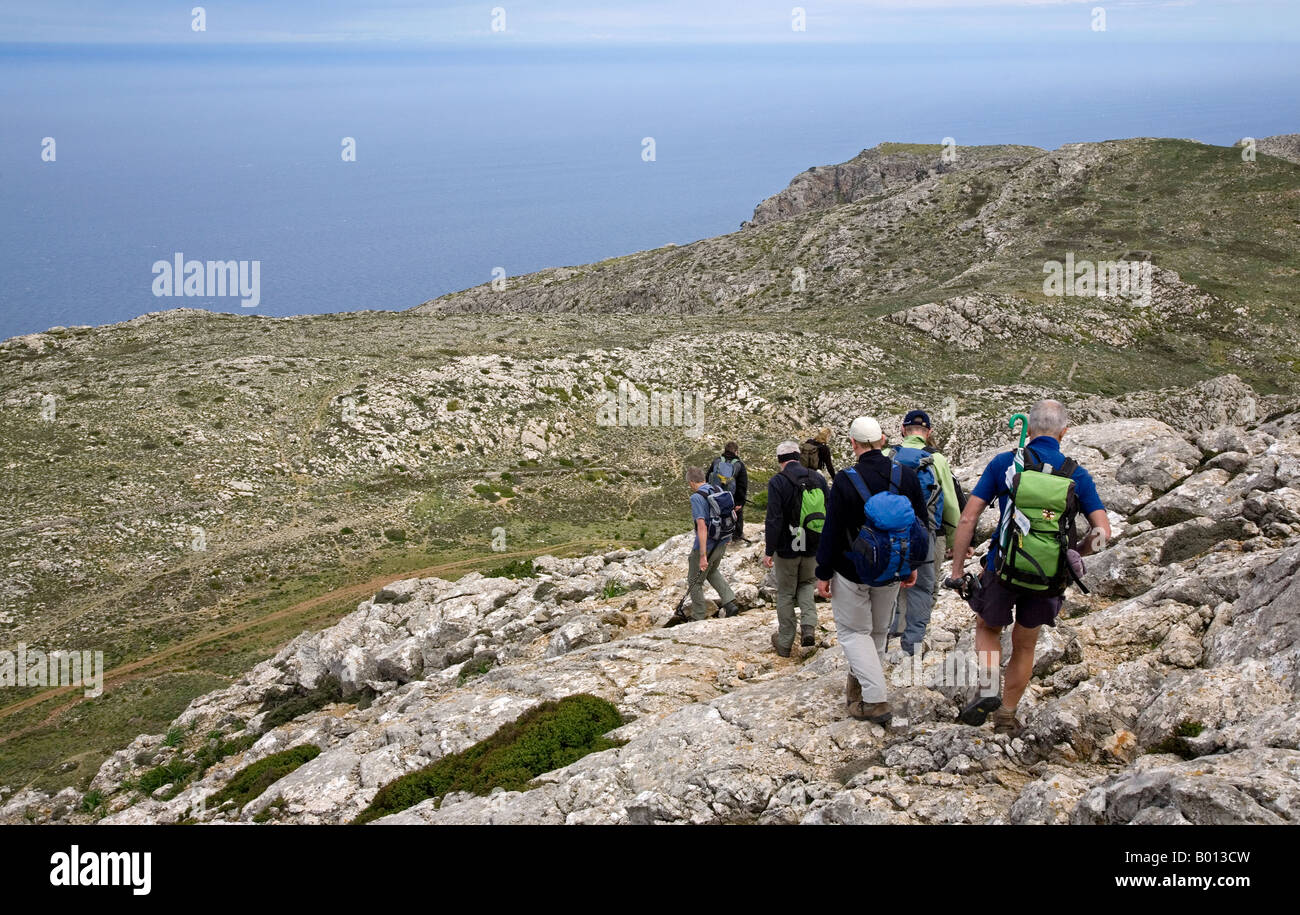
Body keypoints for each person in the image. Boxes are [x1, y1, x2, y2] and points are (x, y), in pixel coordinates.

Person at [947, 399, 1111, 736]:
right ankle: (1006, 715)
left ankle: (990, 686)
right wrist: (1074, 554)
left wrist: (957, 569)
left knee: (987, 626)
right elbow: (1103, 534)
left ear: (1030, 428)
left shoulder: (1006, 463)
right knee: (1025, 645)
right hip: (1050, 575)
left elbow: (968, 517)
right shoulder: (1076, 474)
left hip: (1004, 566)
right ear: (1064, 432)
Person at [815, 417, 928, 724]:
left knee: (853, 633)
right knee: (878, 631)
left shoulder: (845, 480)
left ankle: (875, 700)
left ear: (853, 444)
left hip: (852, 570)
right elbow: (920, 523)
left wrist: (823, 572)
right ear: (882, 440)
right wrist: (912, 565)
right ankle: (862, 690)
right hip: (893, 568)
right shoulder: (904, 474)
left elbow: (833, 530)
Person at [886, 409, 962, 655]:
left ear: (902, 430)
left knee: (893, 582)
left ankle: (891, 632)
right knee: (924, 586)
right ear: (928, 433)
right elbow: (950, 503)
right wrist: (954, 540)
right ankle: (913, 643)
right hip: (930, 533)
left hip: (891, 533)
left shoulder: (889, 455)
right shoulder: (936, 459)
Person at [763, 440, 829, 656]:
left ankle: (785, 642)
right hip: (813, 544)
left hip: (788, 545)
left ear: (780, 460)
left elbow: (774, 519)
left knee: (785, 592)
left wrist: (769, 550)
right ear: (798, 456)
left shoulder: (778, 481)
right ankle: (808, 627)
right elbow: (830, 510)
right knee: (807, 585)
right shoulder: (818, 478)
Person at [685, 466, 740, 621]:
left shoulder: (696, 497)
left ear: (691, 482)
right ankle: (730, 602)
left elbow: (702, 527)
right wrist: (728, 537)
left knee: (695, 581)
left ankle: (698, 616)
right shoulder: (716, 489)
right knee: (712, 571)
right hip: (722, 541)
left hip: (707, 545)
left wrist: (702, 555)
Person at [707, 442, 750, 543]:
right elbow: (742, 485)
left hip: (715, 496)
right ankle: (736, 536)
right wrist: (740, 502)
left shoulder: (717, 461)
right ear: (736, 452)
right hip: (732, 498)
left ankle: (716, 534)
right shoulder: (739, 465)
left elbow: (708, 477)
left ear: (725, 450)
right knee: (736, 515)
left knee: (717, 514)